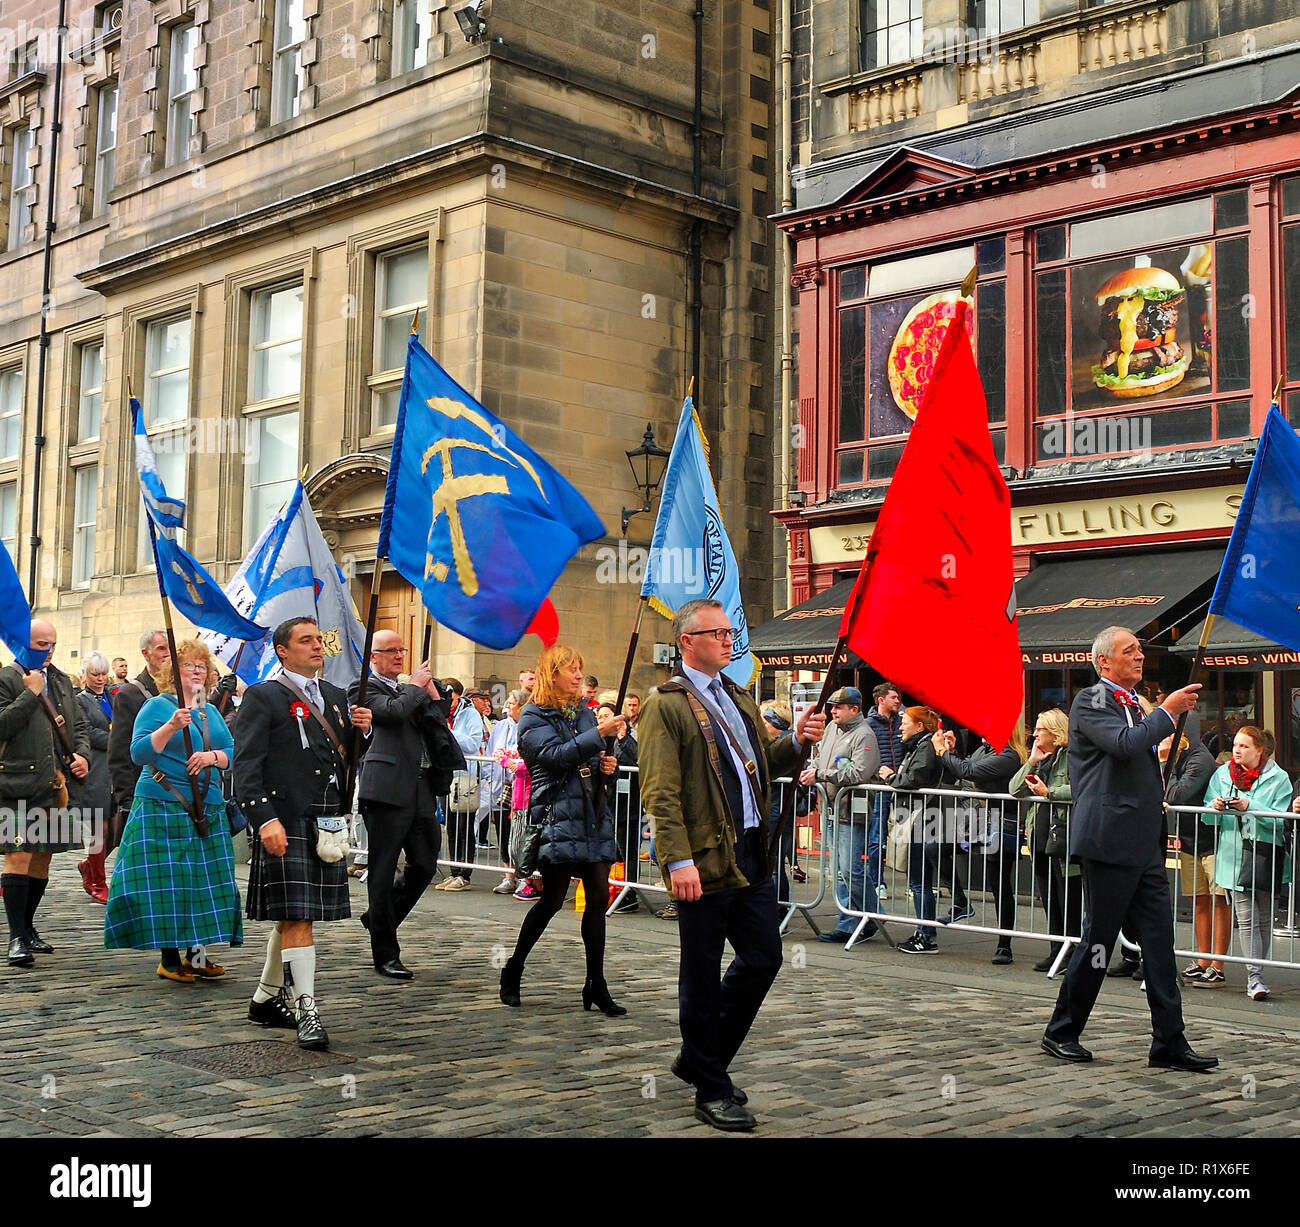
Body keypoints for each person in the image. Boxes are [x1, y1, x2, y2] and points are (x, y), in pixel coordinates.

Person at [637, 598, 825, 1132]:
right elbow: (660, 791)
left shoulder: (737, 696)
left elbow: (761, 765)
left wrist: (794, 740)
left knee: (763, 958)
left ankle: (702, 1058)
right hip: (702, 854)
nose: (727, 640)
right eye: (716, 633)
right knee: (701, 971)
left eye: (728, 632)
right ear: (687, 642)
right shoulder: (667, 704)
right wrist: (677, 859)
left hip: (750, 850)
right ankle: (711, 1086)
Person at [1042, 626, 1216, 1071]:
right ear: (1104, 661)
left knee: (1160, 945)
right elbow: (1124, 744)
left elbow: (1135, 761)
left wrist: (1153, 793)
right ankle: (1062, 1030)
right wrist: (1168, 711)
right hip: (1110, 840)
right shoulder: (1093, 700)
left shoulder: (1135, 704)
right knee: (1098, 942)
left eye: (1140, 649)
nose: (1140, 656)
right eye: (1130, 650)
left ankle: (1169, 1041)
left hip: (1144, 840)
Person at [234, 617, 372, 1049]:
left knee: (295, 913)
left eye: (319, 640)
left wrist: (364, 730)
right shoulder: (263, 696)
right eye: (306, 640)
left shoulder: (335, 696)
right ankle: (307, 1009)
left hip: (326, 819)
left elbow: (346, 757)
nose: (317, 647)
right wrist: (264, 819)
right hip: (286, 817)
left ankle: (264, 999)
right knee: (299, 916)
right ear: (282, 651)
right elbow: (245, 767)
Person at [104, 639, 242, 982]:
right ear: (172, 672)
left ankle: (197, 958)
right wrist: (170, 727)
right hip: (162, 804)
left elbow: (233, 752)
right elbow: (138, 753)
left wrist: (212, 757)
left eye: (201, 666)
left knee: (202, 883)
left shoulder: (210, 713)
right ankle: (169, 960)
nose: (197, 671)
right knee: (169, 885)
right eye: (188, 665)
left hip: (207, 808)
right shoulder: (156, 706)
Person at [499, 645, 624, 1013]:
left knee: (598, 898)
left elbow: (589, 758)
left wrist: (606, 765)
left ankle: (596, 983)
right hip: (556, 815)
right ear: (551, 674)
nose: (578, 676)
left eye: (580, 669)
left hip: (590, 814)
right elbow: (554, 758)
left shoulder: (583, 714)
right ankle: (514, 967)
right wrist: (597, 735)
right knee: (552, 899)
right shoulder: (533, 715)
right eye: (571, 670)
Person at [351, 630, 461, 979]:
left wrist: (433, 694)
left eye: (401, 649)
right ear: (373, 656)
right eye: (391, 650)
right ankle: (385, 953)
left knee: (425, 864)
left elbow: (437, 720)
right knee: (382, 871)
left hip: (421, 788)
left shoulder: (409, 689)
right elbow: (393, 713)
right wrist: (415, 687)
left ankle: (379, 919)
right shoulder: (364, 687)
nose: (399, 655)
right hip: (386, 789)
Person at [0, 620, 91, 967]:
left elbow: (77, 726)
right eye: (41, 644)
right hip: (16, 783)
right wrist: (30, 693)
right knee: (18, 854)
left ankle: (28, 928)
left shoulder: (62, 681)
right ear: (22, 644)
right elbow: (2, 725)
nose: (49, 650)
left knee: (42, 857)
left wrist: (81, 756)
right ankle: (15, 937)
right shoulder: (6, 678)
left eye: (52, 643)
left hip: (56, 785)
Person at [1200, 726, 1294, 1001]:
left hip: (1266, 854)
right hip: (1233, 856)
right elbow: (1206, 814)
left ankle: (1257, 975)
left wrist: (1249, 805)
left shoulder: (1279, 777)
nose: (1237, 751)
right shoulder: (1222, 774)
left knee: (1264, 917)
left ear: (1259, 750)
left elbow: (1282, 818)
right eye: (1236, 745)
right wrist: (1216, 806)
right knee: (1247, 918)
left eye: (1244, 746)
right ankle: (1255, 977)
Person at [929, 721, 1027, 965]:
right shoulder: (985, 749)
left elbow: (969, 771)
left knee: (999, 883)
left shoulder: (1009, 755)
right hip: (977, 821)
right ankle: (960, 901)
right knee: (936, 847)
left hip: (1002, 823)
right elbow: (964, 771)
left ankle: (1005, 944)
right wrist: (952, 753)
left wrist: (943, 752)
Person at [799, 686, 881, 945]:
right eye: (832, 706)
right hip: (831, 807)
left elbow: (859, 773)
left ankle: (874, 915)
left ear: (854, 709)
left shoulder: (864, 734)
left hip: (850, 810)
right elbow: (821, 758)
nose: (833, 711)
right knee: (839, 871)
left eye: (839, 707)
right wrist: (812, 770)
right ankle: (849, 922)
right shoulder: (833, 729)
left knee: (850, 869)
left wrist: (821, 775)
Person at [1010, 709, 1079, 973]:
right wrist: (1031, 762)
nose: (1035, 734)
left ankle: (1071, 952)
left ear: (1055, 732)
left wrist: (1049, 792)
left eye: (1040, 729)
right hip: (1039, 839)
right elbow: (1014, 790)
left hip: (1063, 837)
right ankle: (1056, 950)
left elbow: (1082, 789)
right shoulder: (1040, 759)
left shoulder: (1072, 756)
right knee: (1049, 898)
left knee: (1067, 898)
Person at [1161, 731, 1223, 985]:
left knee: (1219, 901)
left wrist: (1165, 762)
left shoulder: (1199, 758)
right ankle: (1202, 960)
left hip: (1212, 839)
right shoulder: (1178, 756)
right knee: (1198, 900)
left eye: (1163, 736)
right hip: (1189, 839)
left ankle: (1217, 964)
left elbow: (1176, 794)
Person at [885, 706, 946, 953]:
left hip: (923, 818)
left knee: (920, 881)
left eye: (905, 722)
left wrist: (891, 777)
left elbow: (915, 778)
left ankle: (926, 935)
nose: (901, 726)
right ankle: (923, 932)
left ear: (919, 726)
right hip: (921, 816)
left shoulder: (926, 747)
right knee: (918, 881)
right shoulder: (919, 745)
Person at [107, 630, 170, 858]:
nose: (167, 653)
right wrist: (126, 798)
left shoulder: (181, 691)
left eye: (169, 648)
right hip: (145, 788)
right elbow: (119, 750)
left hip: (176, 789)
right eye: (161, 648)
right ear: (146, 653)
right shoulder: (130, 693)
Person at [76, 651, 116, 904]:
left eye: (103, 674)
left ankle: (89, 865)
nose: (100, 679)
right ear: (85, 675)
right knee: (99, 830)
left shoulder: (113, 696)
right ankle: (98, 882)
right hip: (96, 768)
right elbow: (86, 732)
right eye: (95, 674)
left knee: (115, 831)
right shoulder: (80, 700)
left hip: (115, 770)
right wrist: (118, 739)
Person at [438, 678, 485, 891]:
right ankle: (454, 871)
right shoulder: (440, 712)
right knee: (451, 826)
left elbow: (473, 744)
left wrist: (447, 733)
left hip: (465, 775)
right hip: (445, 774)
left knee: (464, 825)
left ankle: (465, 874)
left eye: (451, 698)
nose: (448, 702)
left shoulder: (470, 713)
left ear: (459, 696)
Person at [598, 702, 641, 914]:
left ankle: (629, 893)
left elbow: (638, 758)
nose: (602, 720)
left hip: (627, 804)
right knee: (613, 850)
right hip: (608, 803)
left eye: (606, 715)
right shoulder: (599, 739)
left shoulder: (629, 737)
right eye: (599, 716)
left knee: (627, 849)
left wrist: (623, 737)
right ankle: (614, 888)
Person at [865, 682, 903, 896]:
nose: (898, 701)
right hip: (880, 787)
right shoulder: (868, 724)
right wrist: (877, 773)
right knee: (877, 837)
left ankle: (915, 883)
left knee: (908, 836)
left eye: (898, 697)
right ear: (881, 700)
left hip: (902, 785)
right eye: (893, 697)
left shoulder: (903, 721)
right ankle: (876, 882)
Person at [489, 690, 526, 895]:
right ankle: (508, 876)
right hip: (501, 785)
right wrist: (489, 777)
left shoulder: (530, 725)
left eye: (512, 703)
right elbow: (491, 751)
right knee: (503, 831)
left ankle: (524, 876)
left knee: (521, 834)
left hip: (522, 786)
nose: (508, 706)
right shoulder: (501, 726)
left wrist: (511, 761)